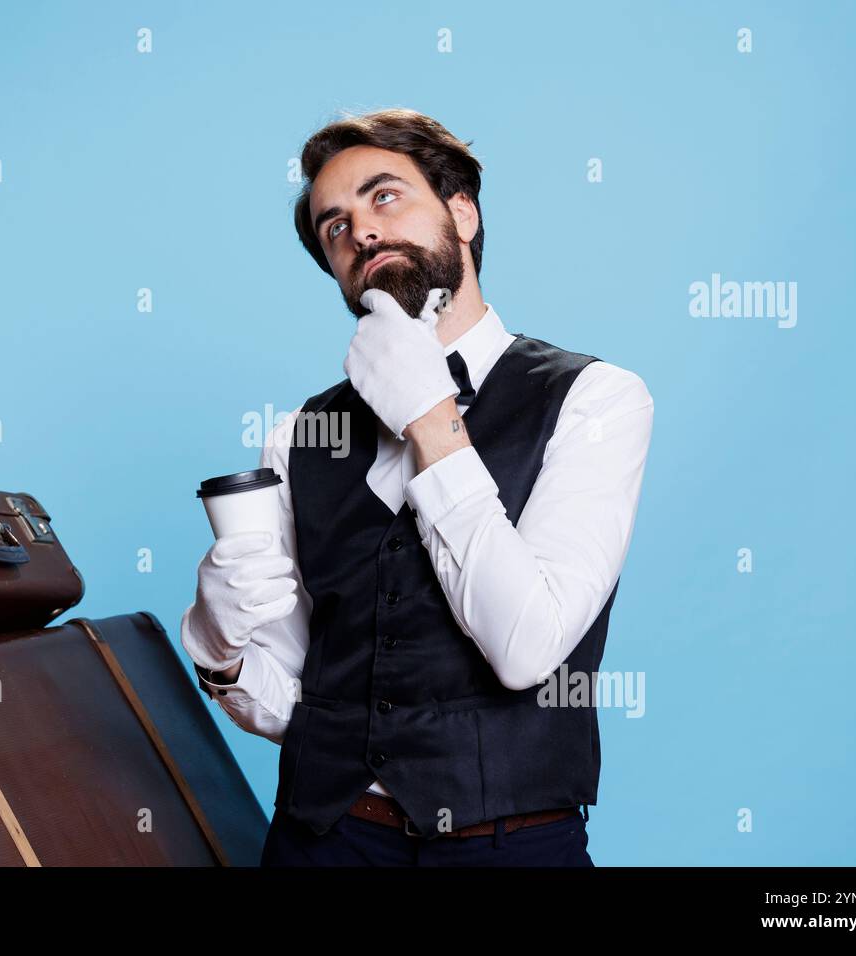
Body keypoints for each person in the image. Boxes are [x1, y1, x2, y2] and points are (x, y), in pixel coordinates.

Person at [181, 108, 654, 866]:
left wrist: (431, 420)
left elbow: (526, 648)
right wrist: (221, 651)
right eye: (334, 225)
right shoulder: (298, 435)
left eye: (385, 196)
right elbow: (295, 700)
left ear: (462, 213)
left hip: (507, 845)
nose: (360, 230)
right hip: (320, 838)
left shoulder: (595, 401)